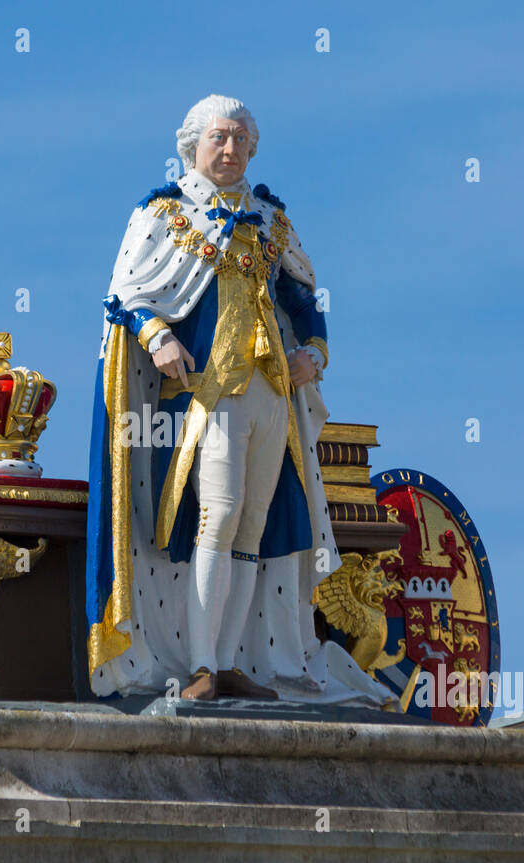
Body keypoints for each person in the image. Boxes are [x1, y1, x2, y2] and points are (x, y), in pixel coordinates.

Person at [85, 94, 388, 707]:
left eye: (240, 140)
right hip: (205, 394)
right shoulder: (163, 213)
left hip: (271, 391)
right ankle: (199, 663)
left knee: (253, 522)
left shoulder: (271, 218)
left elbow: (306, 300)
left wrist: (316, 356)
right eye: (219, 139)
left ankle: (228, 661)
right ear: (191, 146)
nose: (230, 150)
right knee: (217, 515)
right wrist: (158, 335)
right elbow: (125, 295)